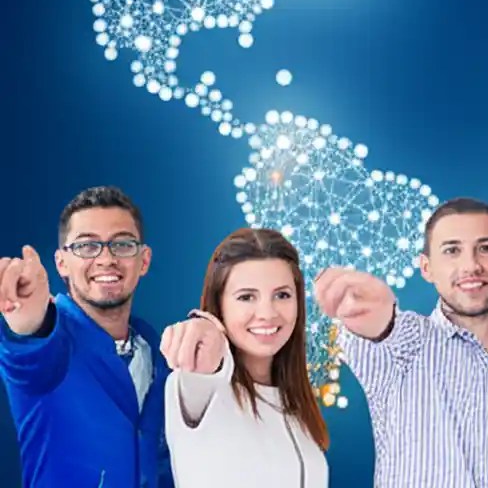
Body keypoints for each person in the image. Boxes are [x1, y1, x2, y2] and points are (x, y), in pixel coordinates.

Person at [316, 197, 488, 488]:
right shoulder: (405, 346)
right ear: (426, 268)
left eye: (486, 248)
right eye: (452, 250)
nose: (471, 265)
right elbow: (380, 334)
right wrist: (371, 313)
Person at [0, 186, 174, 487]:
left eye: (122, 244)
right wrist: (27, 324)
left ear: (143, 261)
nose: (106, 258)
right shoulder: (51, 342)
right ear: (61, 263)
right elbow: (29, 355)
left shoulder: (157, 351)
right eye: (86, 246)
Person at [162, 227, 329, 487]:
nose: (267, 312)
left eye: (282, 295)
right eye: (246, 297)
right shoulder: (203, 389)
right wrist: (203, 328)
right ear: (220, 305)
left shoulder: (295, 404)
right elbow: (201, 364)